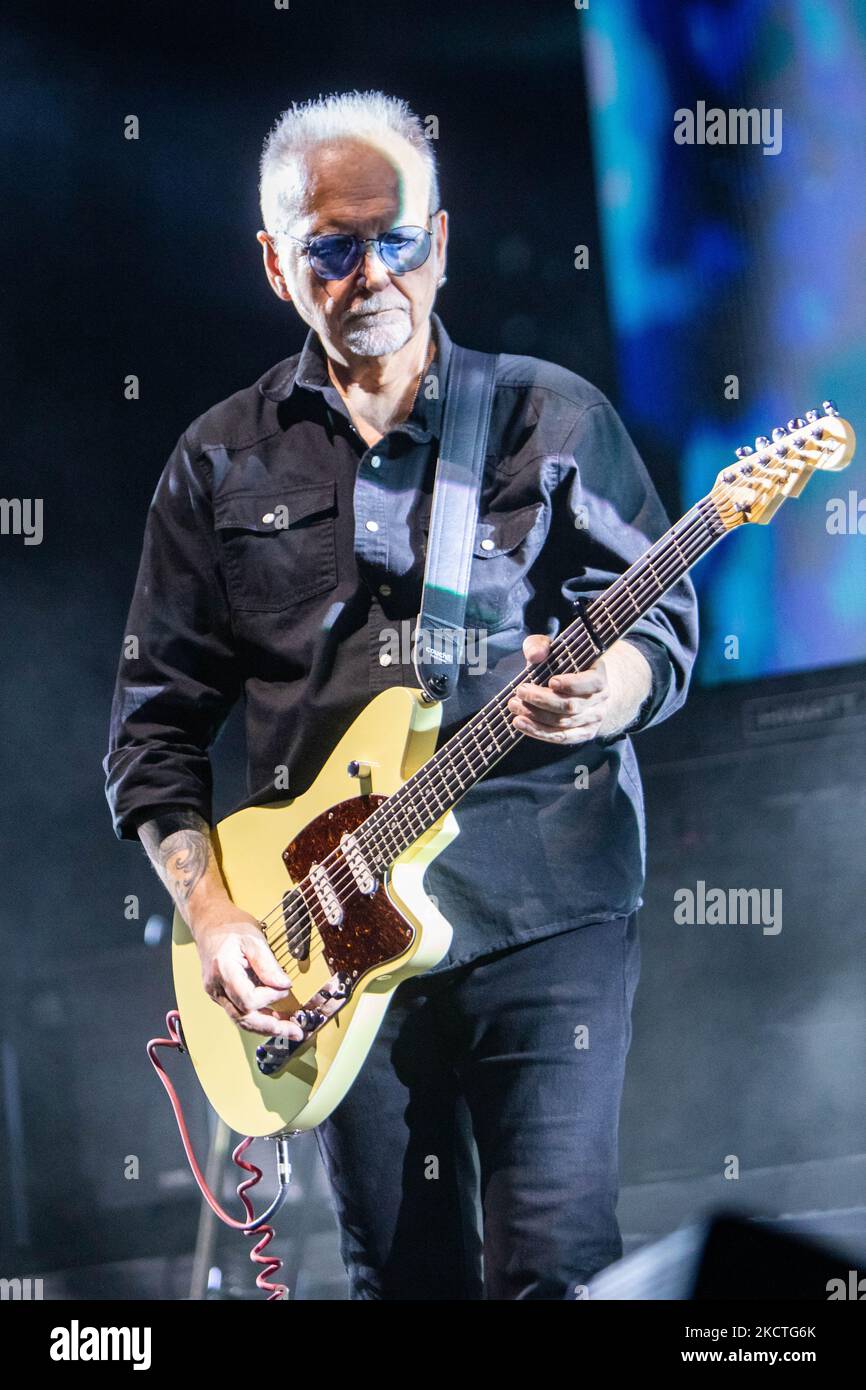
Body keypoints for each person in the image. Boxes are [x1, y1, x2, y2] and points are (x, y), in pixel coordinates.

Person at [104, 89, 698, 1300]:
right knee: (403, 1279)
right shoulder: (218, 462)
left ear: (442, 237)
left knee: (557, 1261)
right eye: (331, 247)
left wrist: (613, 688)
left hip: (547, 904)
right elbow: (152, 733)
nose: (371, 271)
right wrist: (216, 918)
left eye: (398, 237)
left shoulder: (553, 415)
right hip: (325, 950)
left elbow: (669, 628)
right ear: (276, 264)